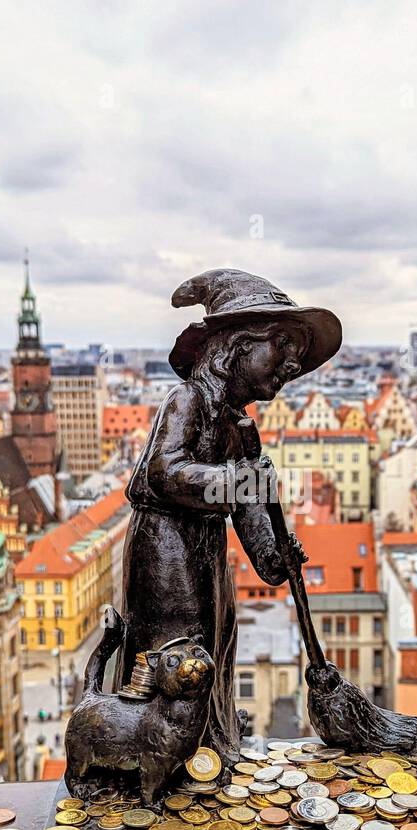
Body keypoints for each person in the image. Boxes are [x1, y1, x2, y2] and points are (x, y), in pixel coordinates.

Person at [118, 270, 342, 764]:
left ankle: (208, 747)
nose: (291, 363)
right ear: (235, 345)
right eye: (281, 345)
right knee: (176, 650)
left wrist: (271, 555)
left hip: (205, 553)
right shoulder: (186, 401)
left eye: (297, 356)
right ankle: (157, 755)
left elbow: (249, 508)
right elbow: (163, 471)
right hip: (166, 552)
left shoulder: (239, 427)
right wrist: (242, 480)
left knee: (215, 643)